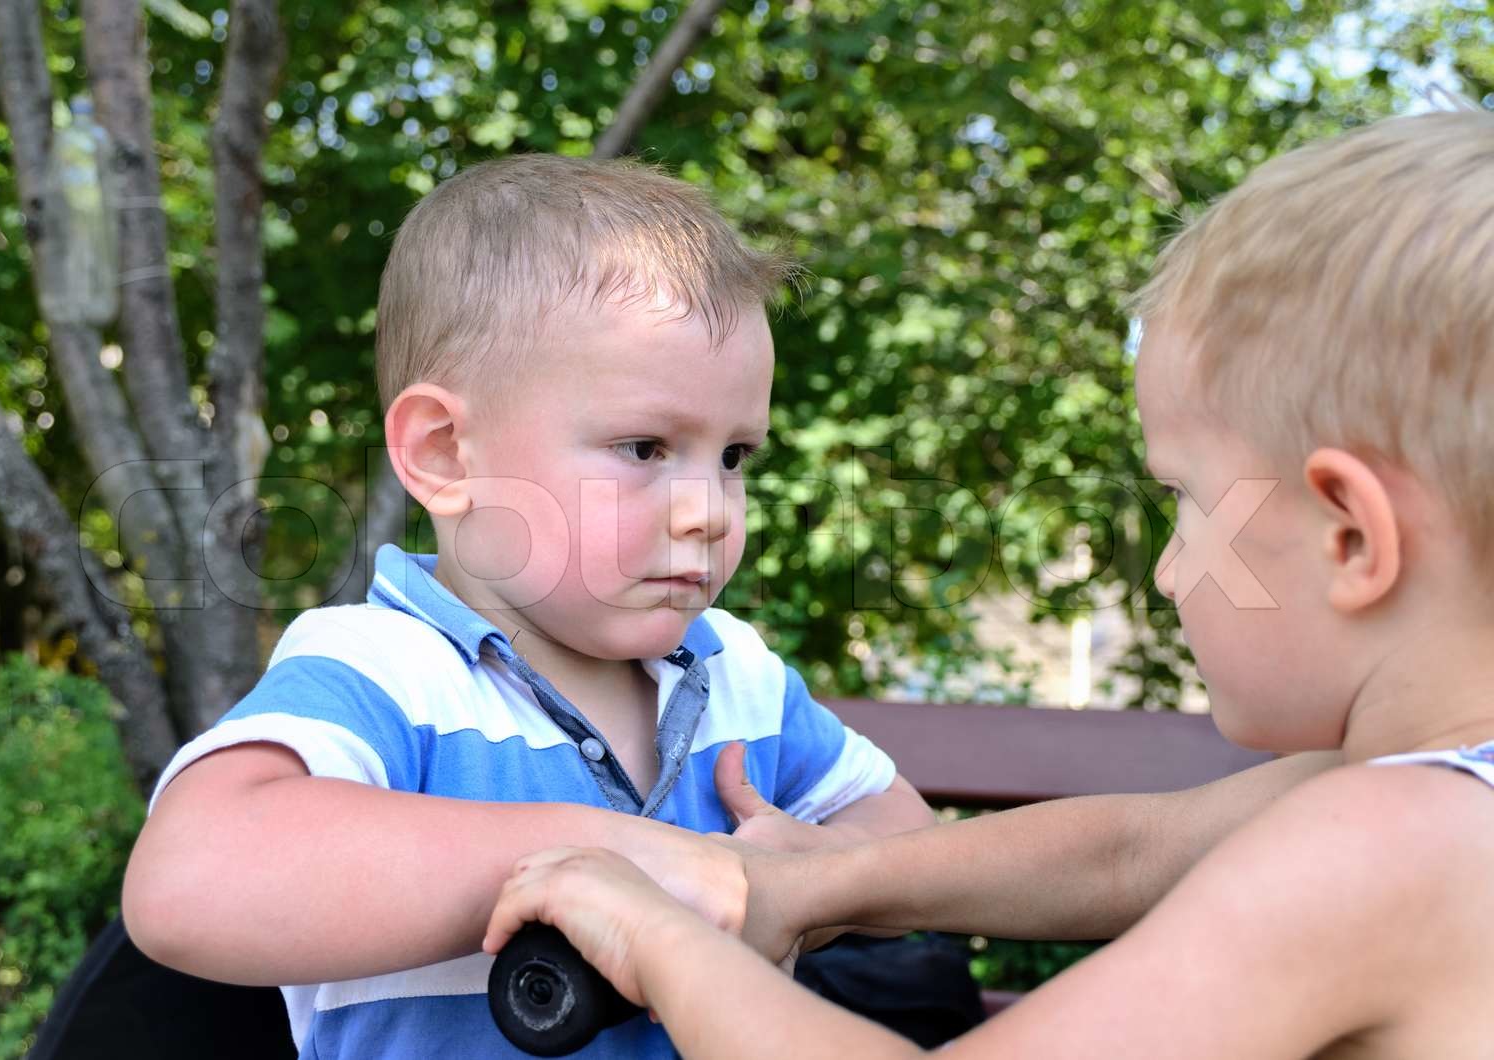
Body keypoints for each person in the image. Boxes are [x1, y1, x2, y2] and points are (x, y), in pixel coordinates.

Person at [483, 108, 1494, 1058]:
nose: (1170, 568)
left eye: (1186, 500)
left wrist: (660, 943)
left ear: (1351, 538)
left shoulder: (1383, 847)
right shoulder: (1410, 797)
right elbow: (1131, 850)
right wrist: (815, 882)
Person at [119, 155, 935, 1058]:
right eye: (644, 448)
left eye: (734, 456)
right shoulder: (389, 672)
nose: (710, 509)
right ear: (445, 454)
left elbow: (901, 830)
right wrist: (612, 855)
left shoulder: (731, 673)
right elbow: (187, 881)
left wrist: (785, 884)